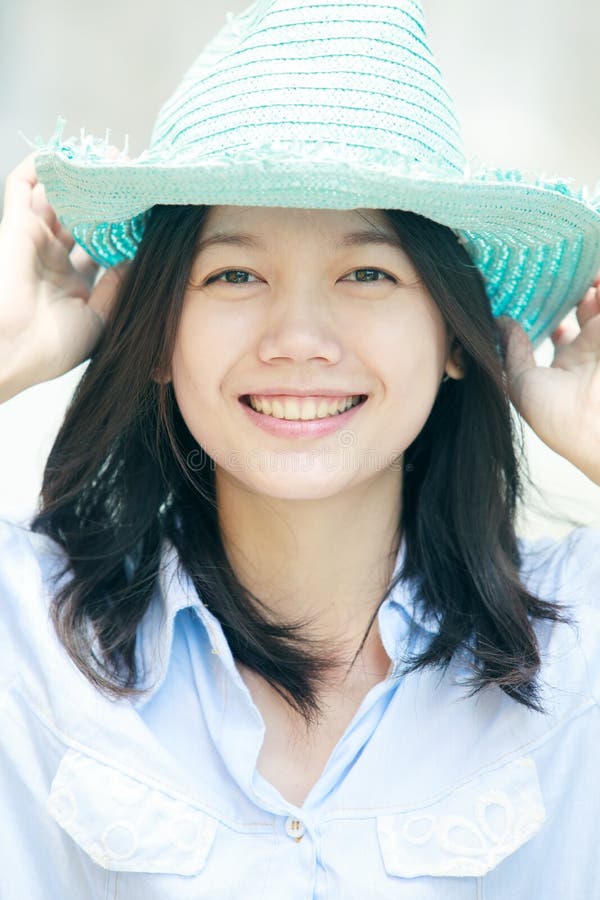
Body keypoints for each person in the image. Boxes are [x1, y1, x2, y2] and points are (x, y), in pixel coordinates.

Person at [1, 0, 599, 896]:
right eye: (235, 273)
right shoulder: (33, 634)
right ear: (161, 334)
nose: (299, 337)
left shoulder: (576, 641)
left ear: (451, 339)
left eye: (368, 272)